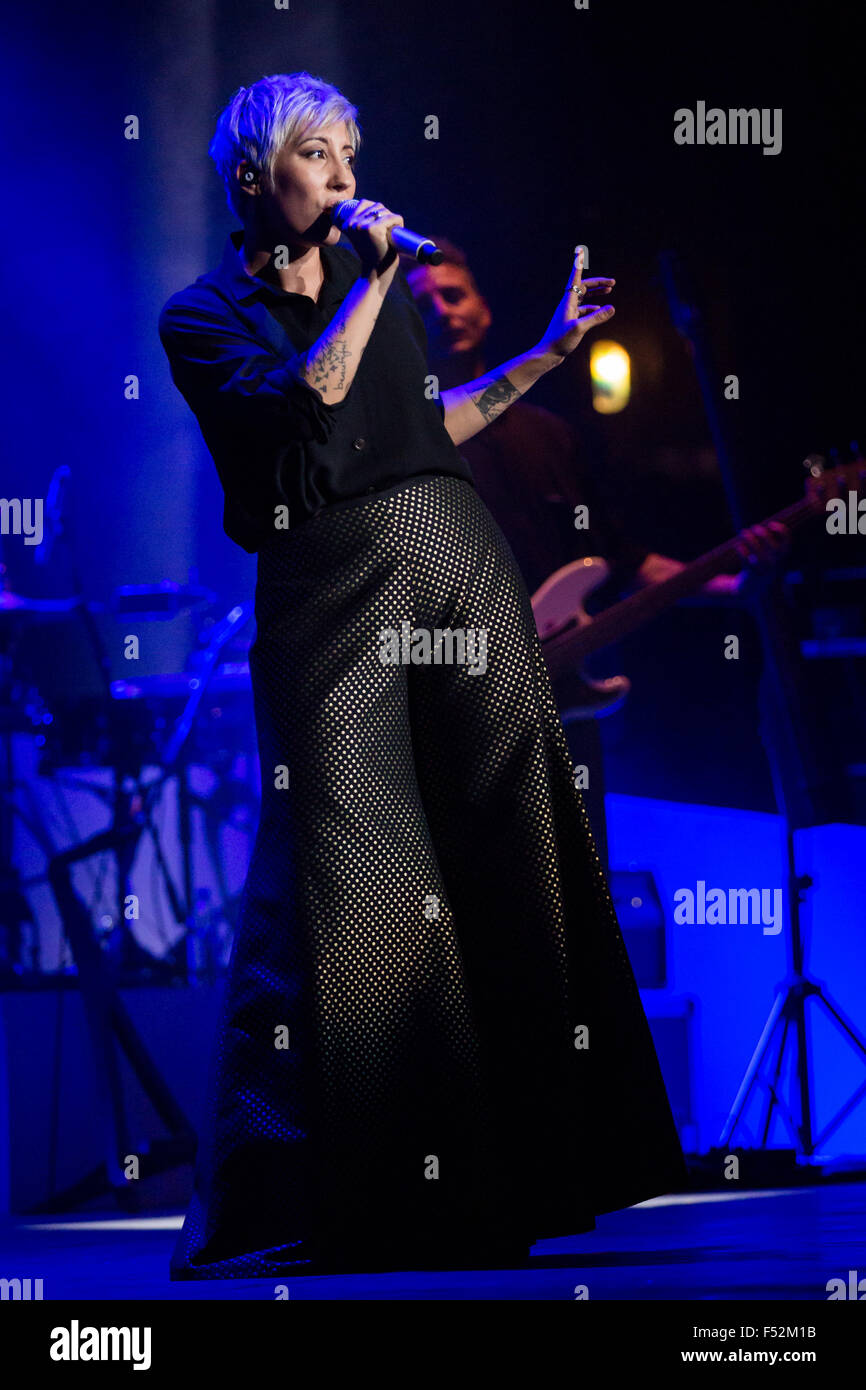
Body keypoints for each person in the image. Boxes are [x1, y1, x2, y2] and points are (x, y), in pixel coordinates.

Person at [158, 71, 688, 1279]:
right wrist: (373, 276)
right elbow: (310, 398)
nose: (345, 175)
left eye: (351, 150)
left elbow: (423, 424)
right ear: (255, 176)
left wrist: (549, 355)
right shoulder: (200, 315)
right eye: (317, 154)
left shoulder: (370, 292)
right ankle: (385, 1186)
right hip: (329, 587)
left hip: (456, 561)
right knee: (360, 874)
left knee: (510, 843)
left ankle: (540, 1164)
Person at [404, 241, 788, 863]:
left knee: (579, 891)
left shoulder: (549, 436)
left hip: (560, 710)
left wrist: (736, 582)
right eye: (423, 305)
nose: (444, 312)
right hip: (457, 711)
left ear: (485, 307)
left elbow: (623, 560)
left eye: (455, 294)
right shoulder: (410, 433)